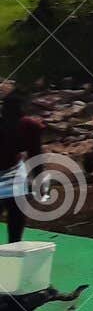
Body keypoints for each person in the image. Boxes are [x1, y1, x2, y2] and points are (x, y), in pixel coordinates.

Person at [0, 89, 45, 244]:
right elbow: (36, 157)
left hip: (14, 173)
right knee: (15, 223)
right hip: (13, 173)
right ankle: (13, 251)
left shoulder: (29, 126)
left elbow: (35, 156)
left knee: (16, 219)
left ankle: (13, 250)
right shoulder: (29, 126)